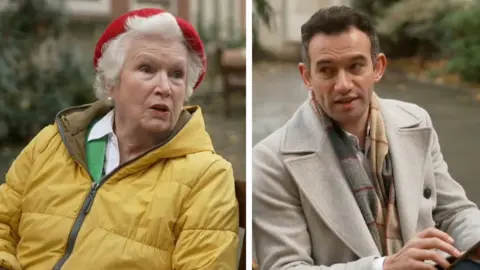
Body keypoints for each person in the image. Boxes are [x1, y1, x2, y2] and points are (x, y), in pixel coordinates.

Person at [0, 8, 239, 270]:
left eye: (176, 74)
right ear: (111, 82)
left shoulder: (207, 177)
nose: (164, 87)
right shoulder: (53, 143)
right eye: (147, 69)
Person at [252, 5, 480, 270]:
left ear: (378, 67)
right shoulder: (270, 161)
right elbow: (287, 266)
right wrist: (382, 267)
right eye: (327, 71)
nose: (343, 84)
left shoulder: (416, 122)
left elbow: (454, 210)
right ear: (307, 76)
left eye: (355, 66)